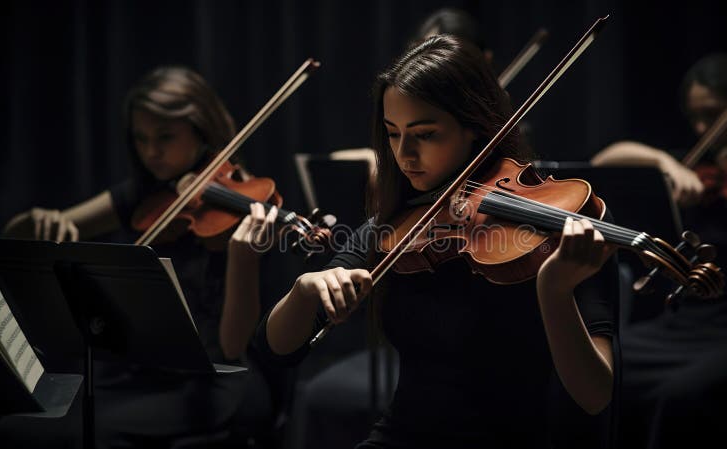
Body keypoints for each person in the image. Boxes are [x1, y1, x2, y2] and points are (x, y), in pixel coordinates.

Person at [258, 34, 619, 448]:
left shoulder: (561, 231)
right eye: (393, 134)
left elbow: (595, 396)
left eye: (425, 134)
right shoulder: (396, 228)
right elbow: (275, 351)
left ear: (475, 129)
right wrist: (304, 292)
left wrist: (554, 290)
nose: (404, 154)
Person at [1, 66, 286, 448]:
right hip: (140, 375)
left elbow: (234, 348)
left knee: (80, 435)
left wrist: (243, 257)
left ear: (202, 132)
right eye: (141, 138)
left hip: (216, 383)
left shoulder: (246, 214)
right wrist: (36, 219)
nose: (152, 152)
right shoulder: (146, 192)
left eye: (165, 137)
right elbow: (29, 235)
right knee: (25, 425)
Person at [591, 53, 727, 448]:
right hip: (682, 323)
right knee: (601, 365)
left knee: (679, 394)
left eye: (713, 113)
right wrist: (664, 163)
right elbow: (605, 160)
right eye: (695, 116)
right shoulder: (694, 168)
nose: (703, 127)